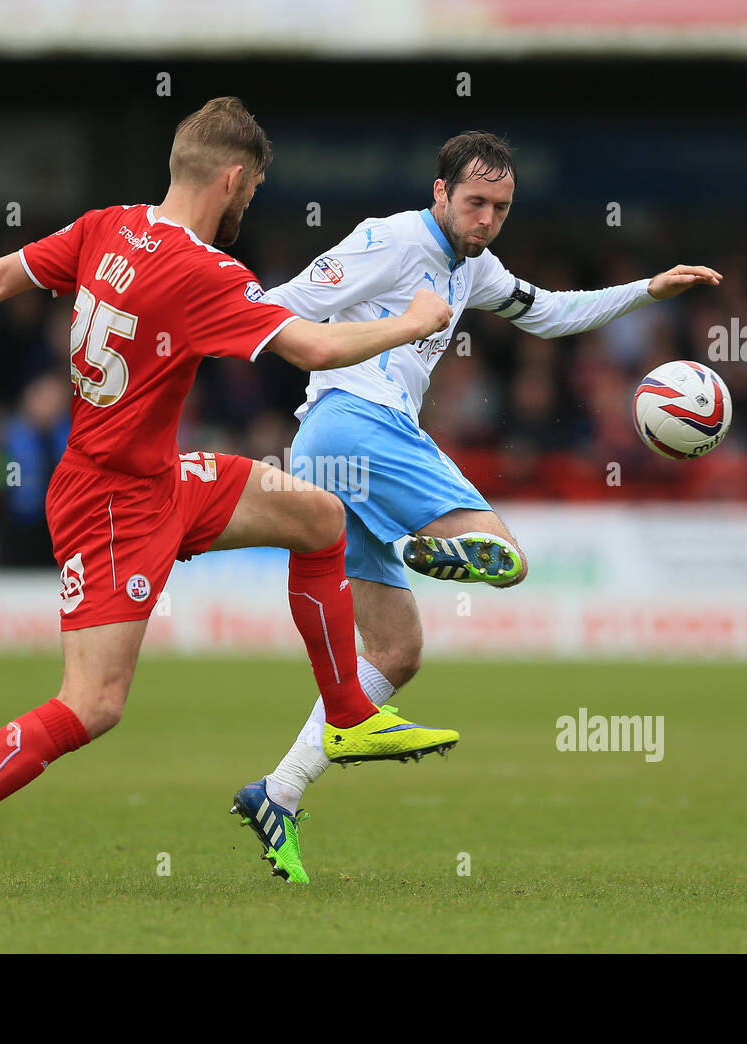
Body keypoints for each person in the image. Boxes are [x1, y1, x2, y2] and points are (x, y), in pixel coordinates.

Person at [0, 97, 457, 899]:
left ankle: (345, 713)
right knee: (93, 703)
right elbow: (312, 344)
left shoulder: (108, 226)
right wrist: (409, 323)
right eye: (253, 190)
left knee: (317, 515)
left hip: (160, 477)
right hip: (111, 502)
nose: (250, 204)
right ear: (233, 179)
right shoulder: (203, 272)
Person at [237, 131, 722, 883]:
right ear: (439, 193)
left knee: (396, 653)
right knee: (507, 556)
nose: (487, 218)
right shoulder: (391, 239)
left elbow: (550, 313)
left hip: (332, 456)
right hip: (358, 425)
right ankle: (430, 548)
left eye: (500, 207)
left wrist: (645, 292)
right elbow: (281, 304)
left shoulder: (477, 266)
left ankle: (278, 792)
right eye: (475, 203)